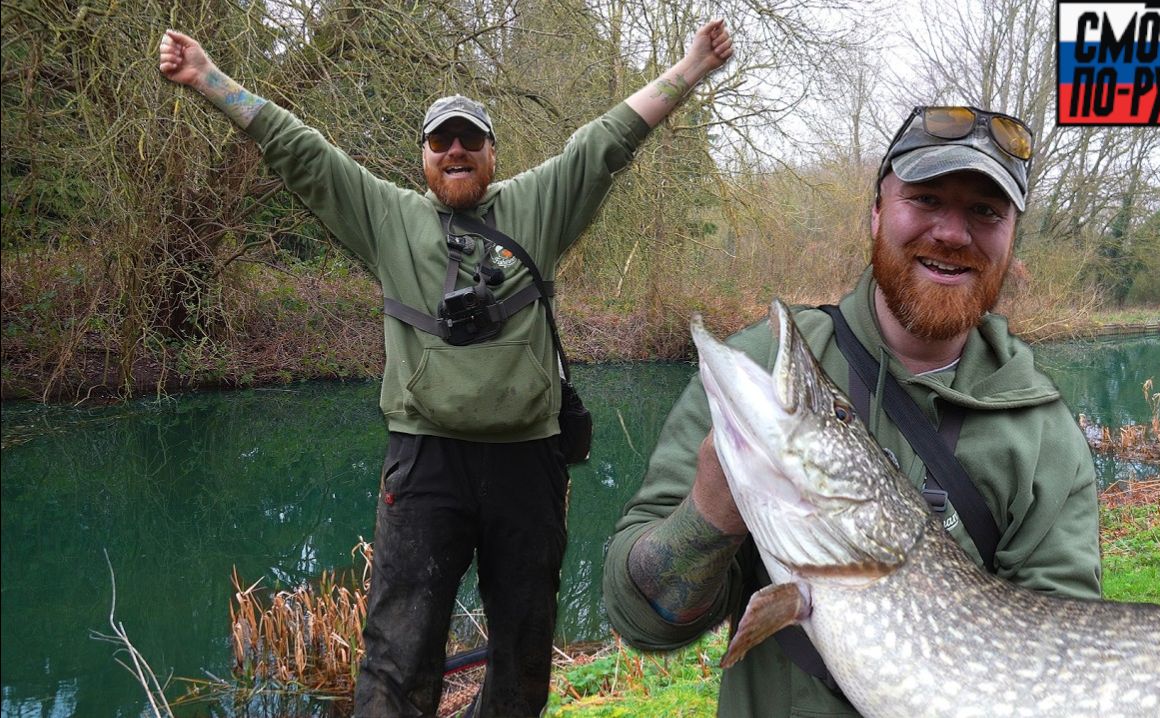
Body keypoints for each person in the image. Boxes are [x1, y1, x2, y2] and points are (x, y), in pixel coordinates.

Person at [159, 20, 733, 717]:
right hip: (424, 461)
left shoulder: (536, 206)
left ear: (492, 153)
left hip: (527, 463)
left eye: (469, 139)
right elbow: (295, 148)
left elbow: (608, 139)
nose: (455, 149)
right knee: (398, 650)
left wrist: (692, 67)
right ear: (423, 158)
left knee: (523, 648)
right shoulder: (386, 216)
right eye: (441, 141)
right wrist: (206, 78)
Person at [602, 106, 1103, 716]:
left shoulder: (1047, 438)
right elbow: (642, 620)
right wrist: (712, 511)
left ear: (1011, 238)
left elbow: (1064, 670)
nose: (952, 232)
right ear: (876, 212)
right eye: (924, 199)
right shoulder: (764, 363)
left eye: (985, 211)